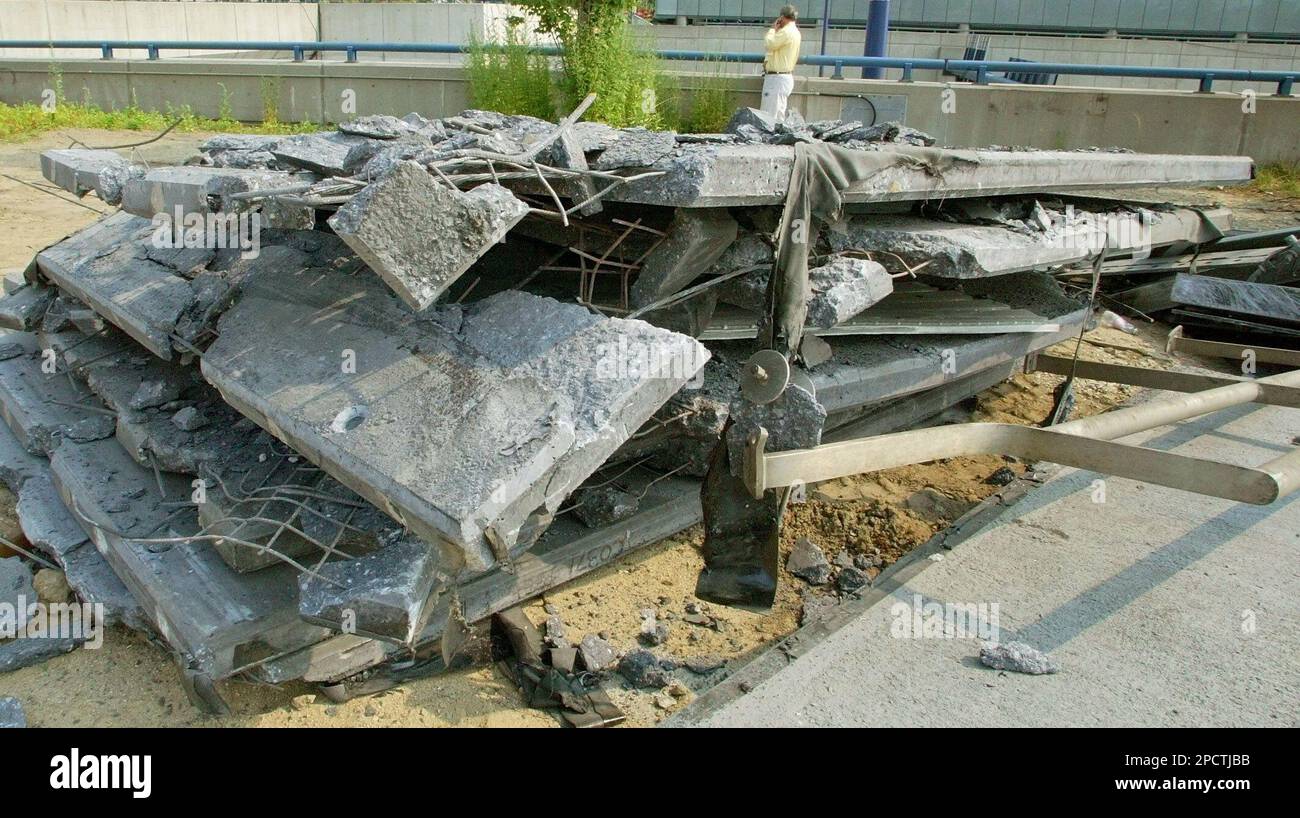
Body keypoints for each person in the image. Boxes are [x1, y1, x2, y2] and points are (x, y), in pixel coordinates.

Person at [761, 6, 802, 122]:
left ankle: (768, 139)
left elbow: (770, 44)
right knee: (778, 114)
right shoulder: (796, 32)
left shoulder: (785, 32)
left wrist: (772, 30)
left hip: (776, 78)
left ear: (782, 17)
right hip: (785, 77)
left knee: (769, 115)